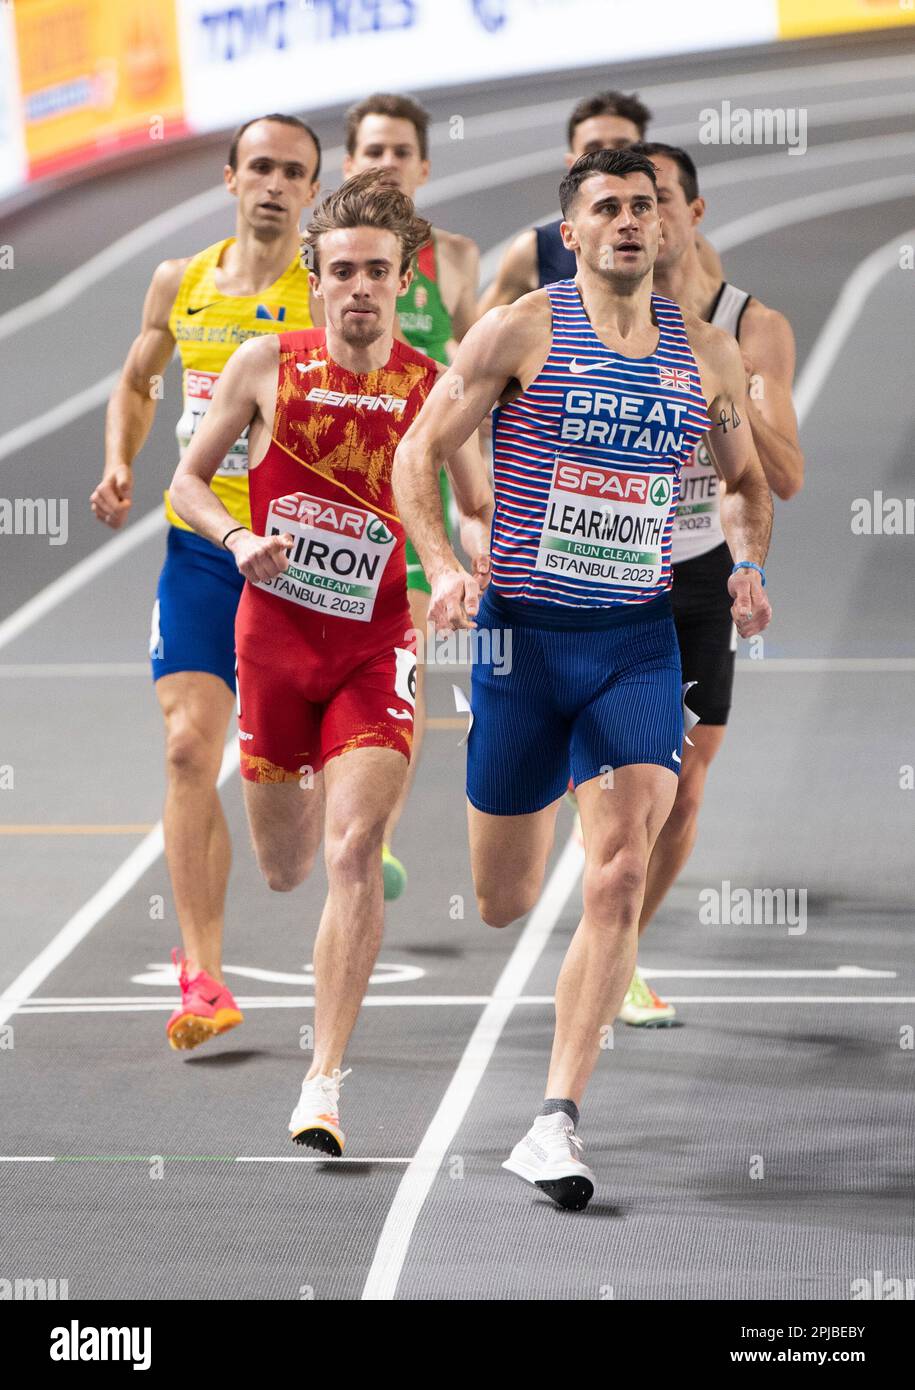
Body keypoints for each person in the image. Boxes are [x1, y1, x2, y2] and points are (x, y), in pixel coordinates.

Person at [393, 148, 772, 1209]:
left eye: (643, 206)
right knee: (507, 899)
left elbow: (744, 486)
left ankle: (554, 1120)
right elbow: (417, 453)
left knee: (615, 872)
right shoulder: (522, 328)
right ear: (570, 231)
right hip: (519, 641)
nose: (627, 220)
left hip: (637, 641)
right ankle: (543, 773)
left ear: (667, 227)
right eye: (605, 206)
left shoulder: (707, 357)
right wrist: (444, 565)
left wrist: (743, 560)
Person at [168, 172, 492, 1153]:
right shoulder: (265, 364)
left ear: (403, 283)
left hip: (375, 646)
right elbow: (185, 481)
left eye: (379, 273)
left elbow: (476, 503)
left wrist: (460, 573)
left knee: (353, 853)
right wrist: (234, 540)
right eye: (343, 270)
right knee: (283, 865)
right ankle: (306, 786)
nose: (361, 287)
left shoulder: (433, 386)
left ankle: (323, 1084)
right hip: (270, 642)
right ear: (317, 280)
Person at [90, 114, 322, 1052]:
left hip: (305, 565)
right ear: (230, 177)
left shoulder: (331, 290)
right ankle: (203, 976)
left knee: (293, 820)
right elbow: (139, 378)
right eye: (259, 166)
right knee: (189, 748)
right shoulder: (179, 280)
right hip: (202, 549)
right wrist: (120, 458)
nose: (273, 183)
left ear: (312, 190)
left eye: (293, 172)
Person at [620, 142, 803, 1026]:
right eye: (626, 203)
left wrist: (721, 384)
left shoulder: (749, 326)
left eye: (657, 201)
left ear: (692, 215)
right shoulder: (579, 315)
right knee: (619, 780)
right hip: (606, 559)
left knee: (684, 787)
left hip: (698, 566)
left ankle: (620, 949)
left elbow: (786, 475)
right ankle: (603, 922)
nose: (641, 218)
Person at [342, 93, 481, 898]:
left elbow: (472, 374)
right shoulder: (320, 255)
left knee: (405, 664)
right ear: (350, 160)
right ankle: (338, 807)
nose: (386, 163)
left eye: (400, 151)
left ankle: (376, 835)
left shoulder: (454, 258)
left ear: (423, 167)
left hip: (408, 491)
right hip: (320, 485)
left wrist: (477, 509)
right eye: (372, 149)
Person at [477, 90, 722, 317]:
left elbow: (716, 325)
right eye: (592, 149)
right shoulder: (534, 250)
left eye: (622, 147)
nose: (607, 157)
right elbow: (478, 333)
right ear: (571, 163)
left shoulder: (689, 247)